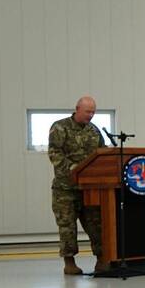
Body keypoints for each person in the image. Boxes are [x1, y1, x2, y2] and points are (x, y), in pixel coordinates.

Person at [47, 97, 106, 275]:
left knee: (96, 224)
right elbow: (54, 154)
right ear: (77, 109)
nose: (91, 115)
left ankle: (102, 259)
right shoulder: (60, 127)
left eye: (93, 112)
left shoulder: (94, 130)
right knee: (67, 227)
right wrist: (74, 170)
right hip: (65, 188)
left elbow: (102, 153)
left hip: (89, 188)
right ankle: (69, 263)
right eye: (88, 111)